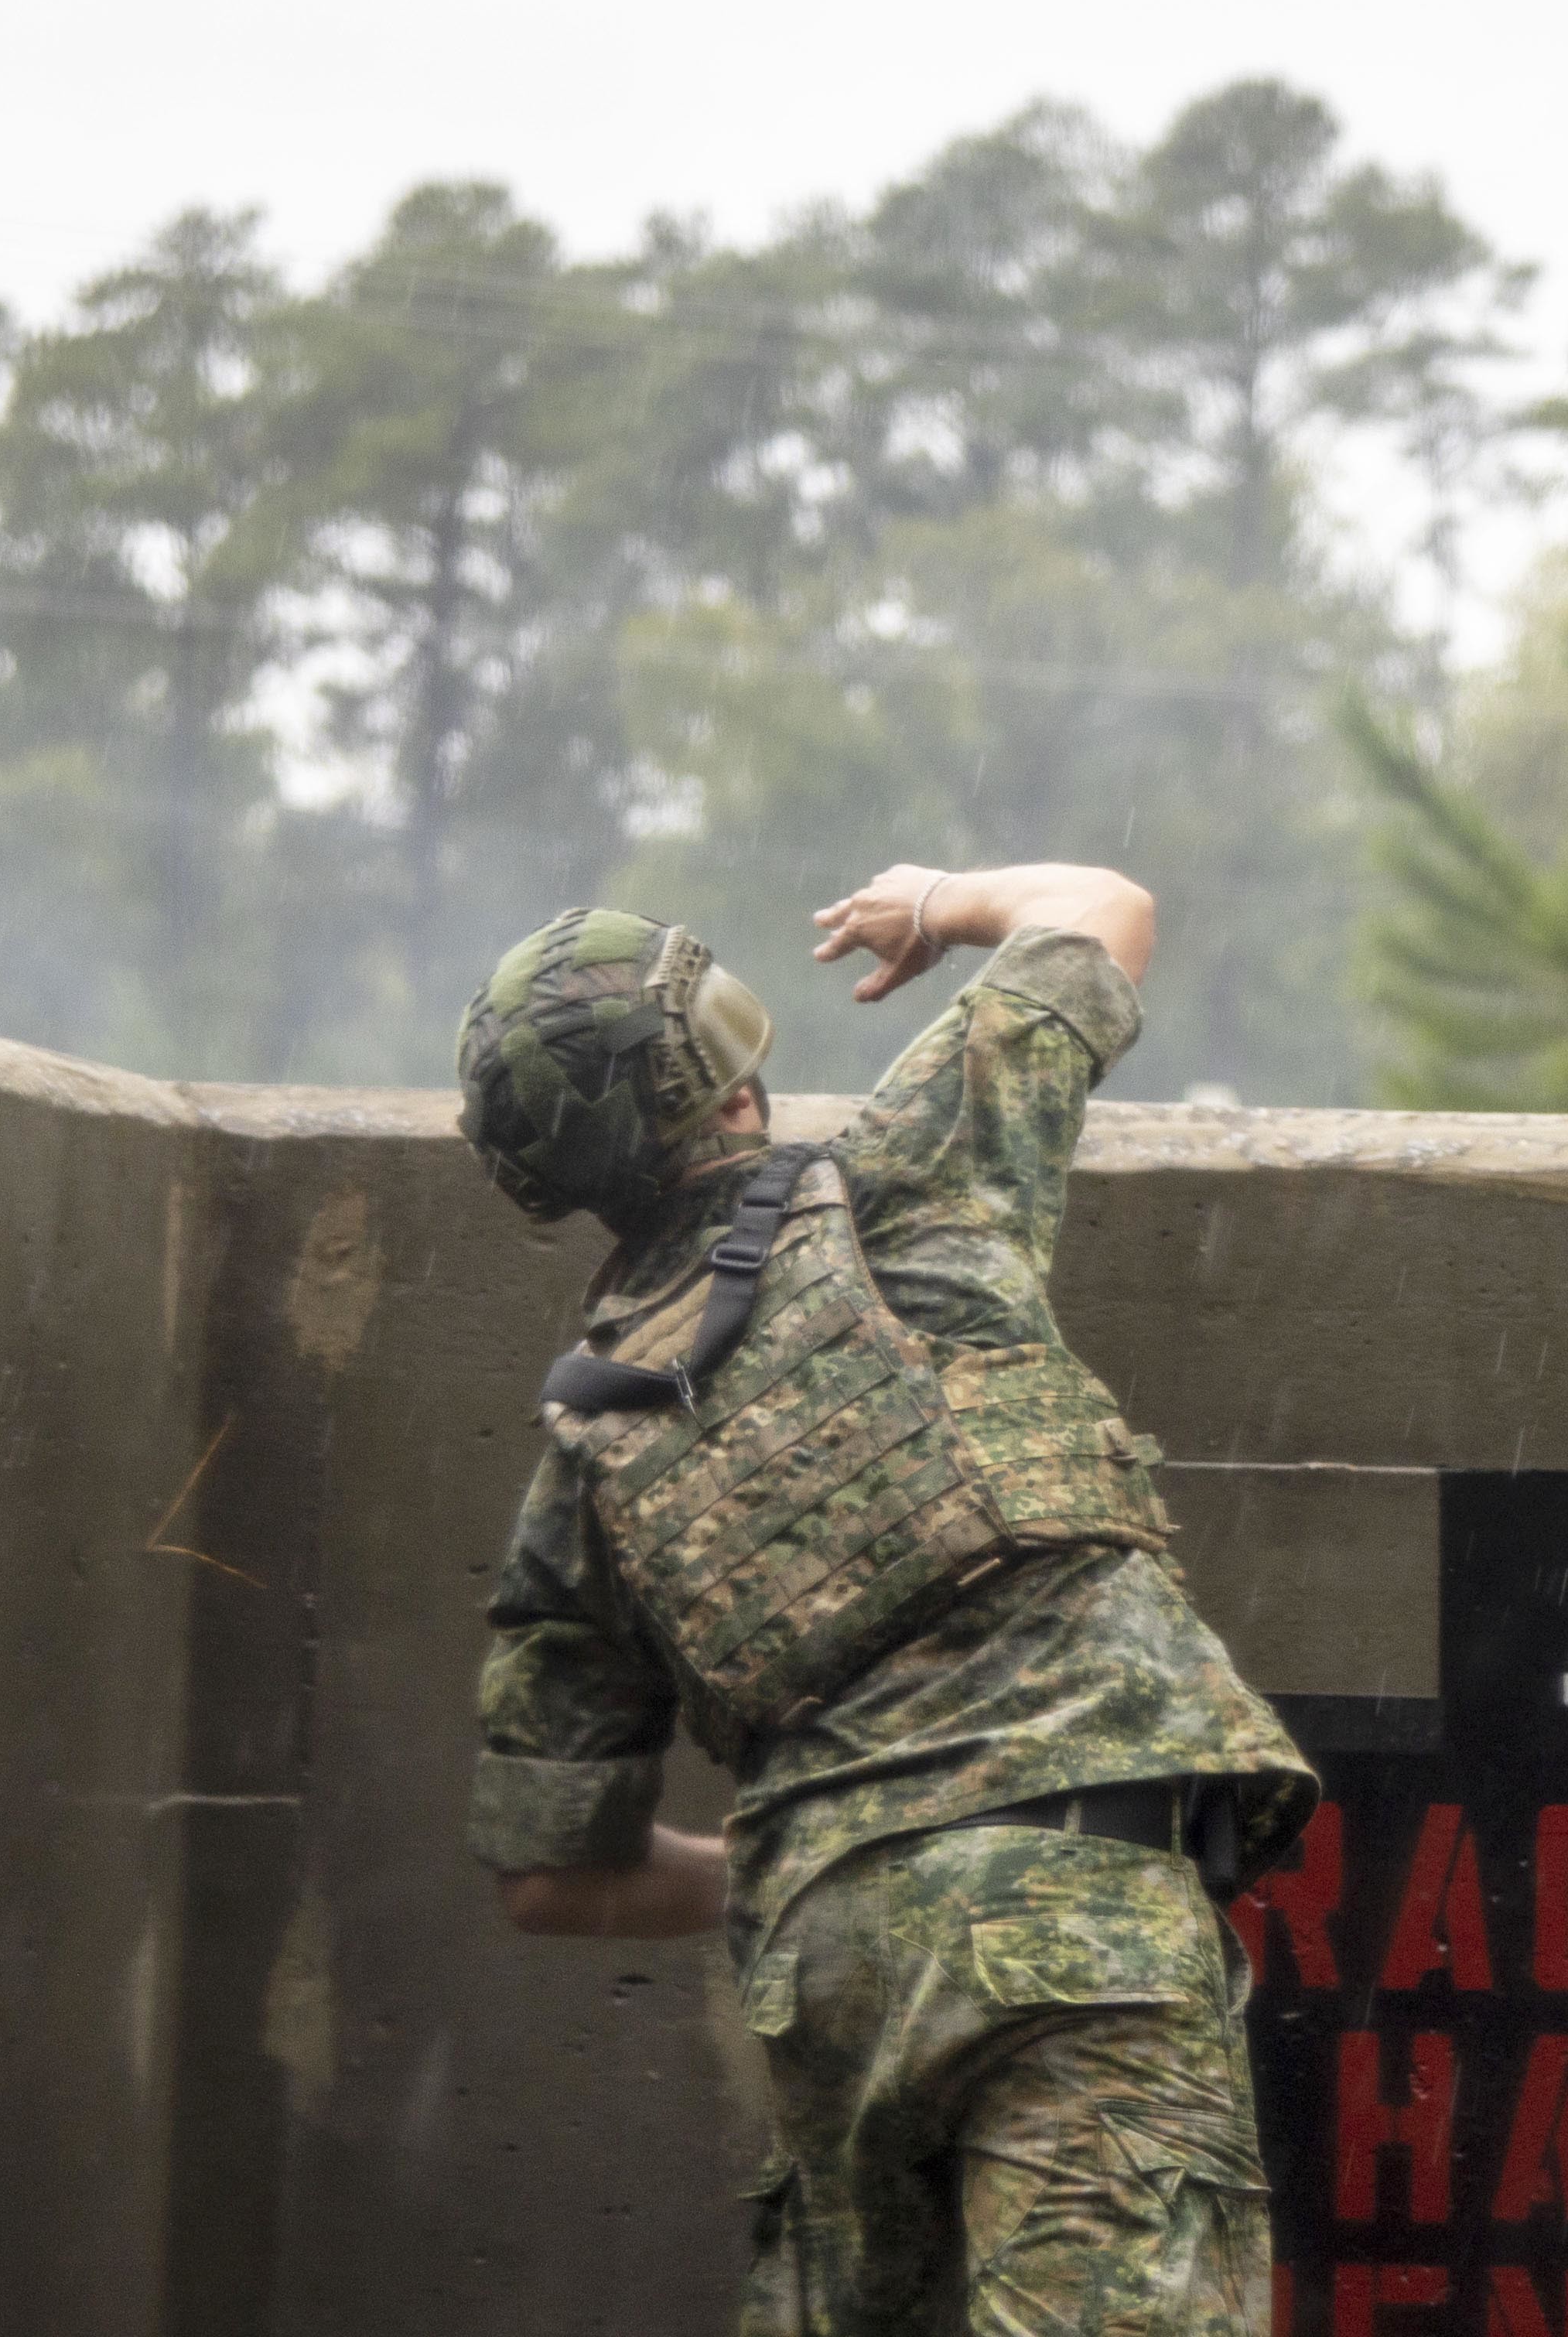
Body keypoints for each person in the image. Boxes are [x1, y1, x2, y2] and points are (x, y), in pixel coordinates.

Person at [453, 861, 1313, 2337]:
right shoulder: (909, 1172)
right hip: (1076, 1921)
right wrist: (936, 899)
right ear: (718, 1067)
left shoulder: (586, 1444)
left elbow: (551, 1875)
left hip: (834, 1969)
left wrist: (840, 1849)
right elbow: (1104, 907)